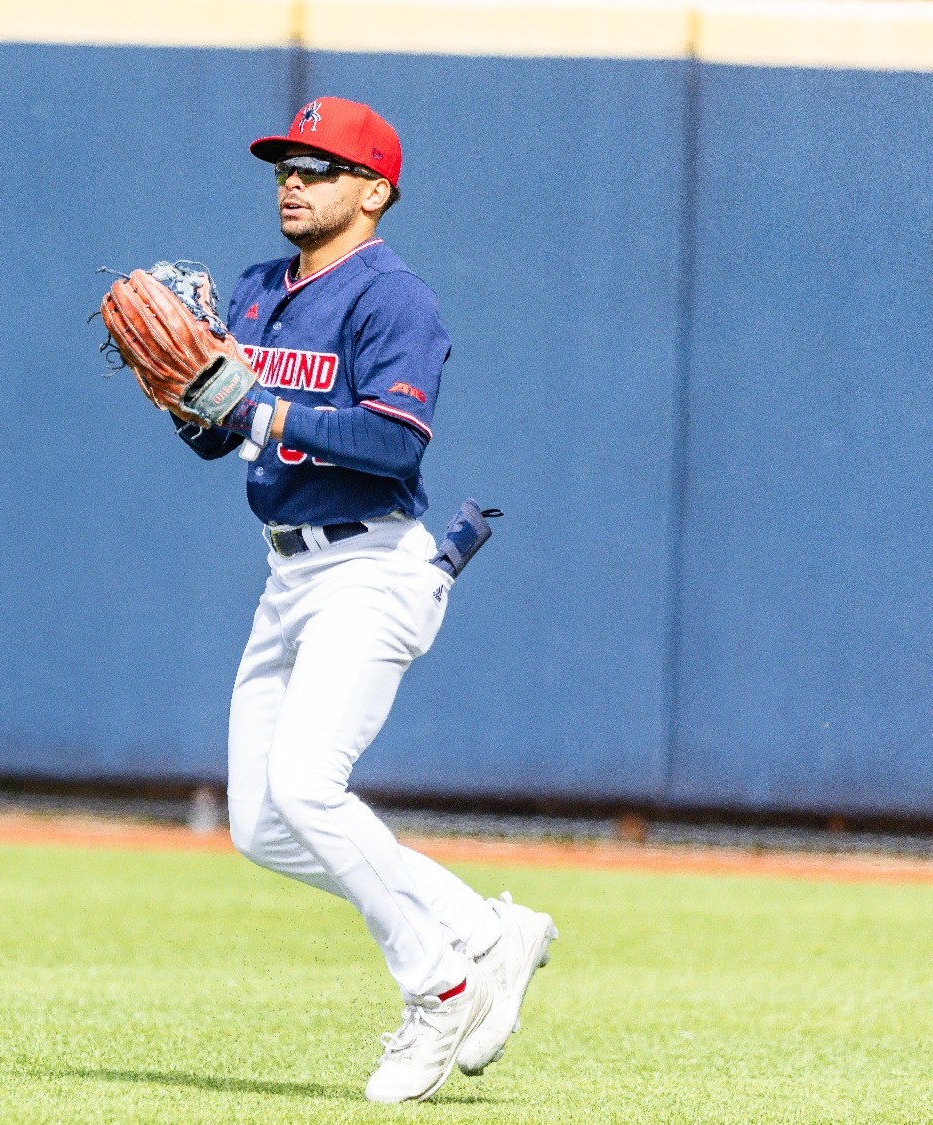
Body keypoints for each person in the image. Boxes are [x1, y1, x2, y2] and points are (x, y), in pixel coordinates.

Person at [173, 97, 557, 1104]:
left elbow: (393, 440)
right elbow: (227, 435)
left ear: (374, 191)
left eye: (320, 168)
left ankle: (438, 985)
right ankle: (484, 929)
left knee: (306, 784)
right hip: (285, 570)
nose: (292, 182)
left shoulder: (394, 301)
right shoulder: (256, 291)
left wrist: (257, 406)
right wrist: (190, 402)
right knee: (260, 825)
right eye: (284, 167)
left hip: (368, 566)